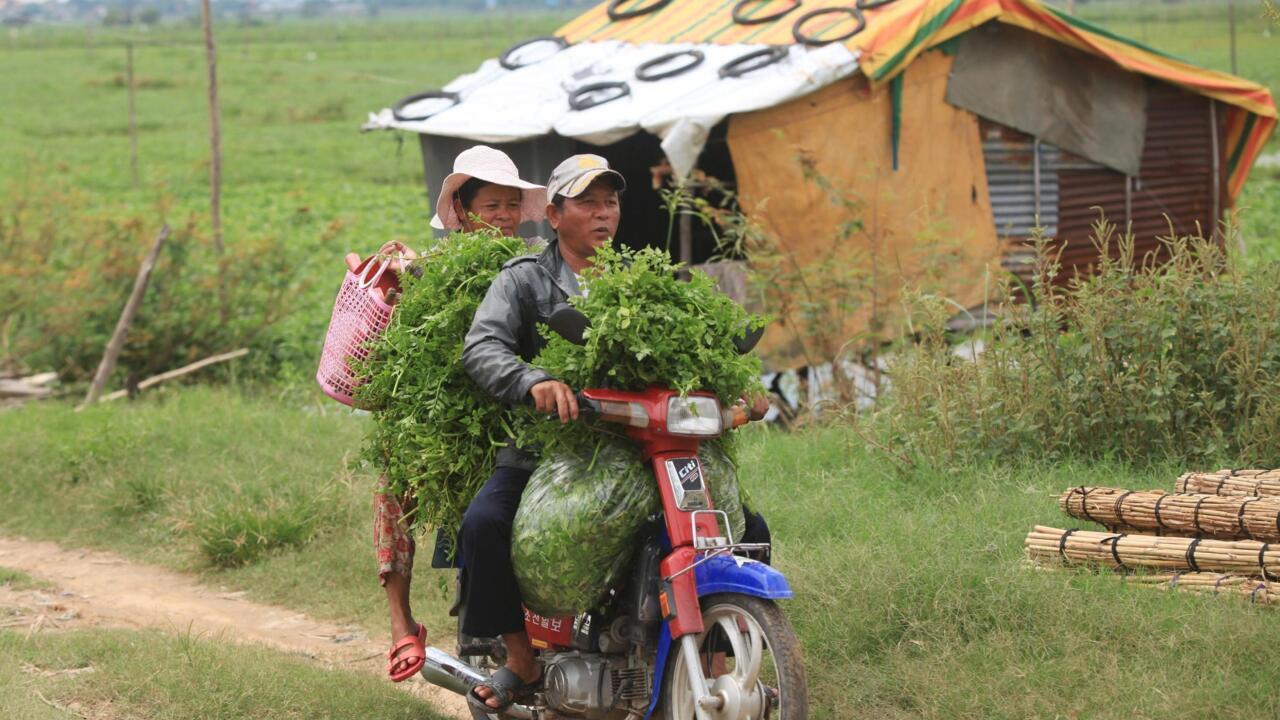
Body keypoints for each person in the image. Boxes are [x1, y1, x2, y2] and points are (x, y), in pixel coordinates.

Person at [458, 154, 772, 712]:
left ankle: (716, 664)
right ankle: (519, 660)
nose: (604, 214)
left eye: (611, 202)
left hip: (642, 449)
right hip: (548, 450)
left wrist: (738, 390)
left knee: (746, 526)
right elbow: (482, 346)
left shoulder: (644, 281)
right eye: (588, 203)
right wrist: (534, 381)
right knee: (484, 524)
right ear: (554, 215)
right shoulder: (525, 280)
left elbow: (694, 350)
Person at [378, 145, 547, 684]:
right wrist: (393, 268)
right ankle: (401, 621)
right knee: (395, 478)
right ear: (464, 212)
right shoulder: (435, 271)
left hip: (524, 407)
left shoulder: (539, 263)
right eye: (491, 205)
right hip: (459, 416)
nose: (503, 216)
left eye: (510, 205)